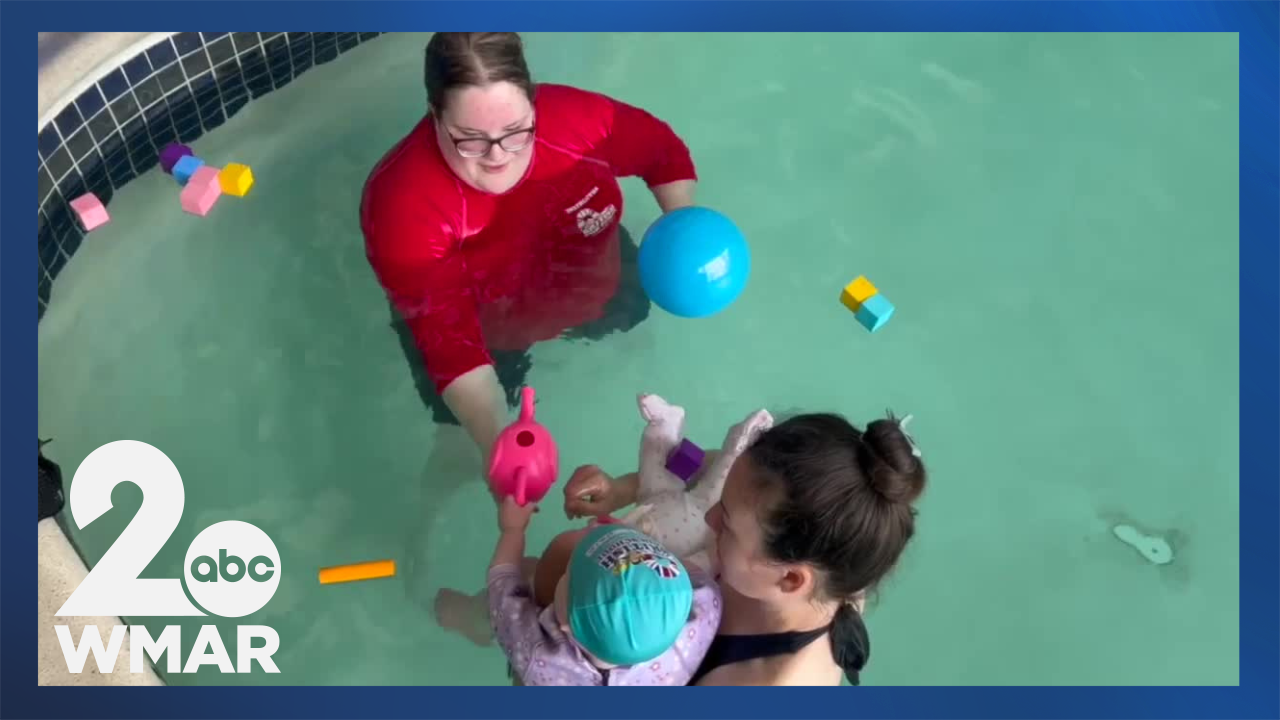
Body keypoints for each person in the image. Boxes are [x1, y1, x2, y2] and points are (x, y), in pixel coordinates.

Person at [360, 32, 698, 457]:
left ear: (534, 102)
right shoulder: (403, 204)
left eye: (517, 130)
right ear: (434, 114)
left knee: (635, 345)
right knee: (461, 452)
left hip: (598, 282)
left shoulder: (578, 122)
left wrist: (682, 230)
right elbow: (451, 344)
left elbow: (662, 153)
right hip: (487, 340)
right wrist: (497, 448)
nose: (498, 155)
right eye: (470, 138)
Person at [564, 411, 928, 686]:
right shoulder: (800, 519)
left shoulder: (758, 687)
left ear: (789, 578)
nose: (709, 518)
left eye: (727, 521)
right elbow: (698, 467)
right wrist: (622, 489)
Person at [485, 497, 722, 685]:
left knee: (526, 571)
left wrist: (512, 530)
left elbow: (501, 584)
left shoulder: (537, 654)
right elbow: (695, 577)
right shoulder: (698, 627)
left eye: (568, 572)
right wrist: (639, 549)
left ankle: (457, 614)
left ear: (565, 621)